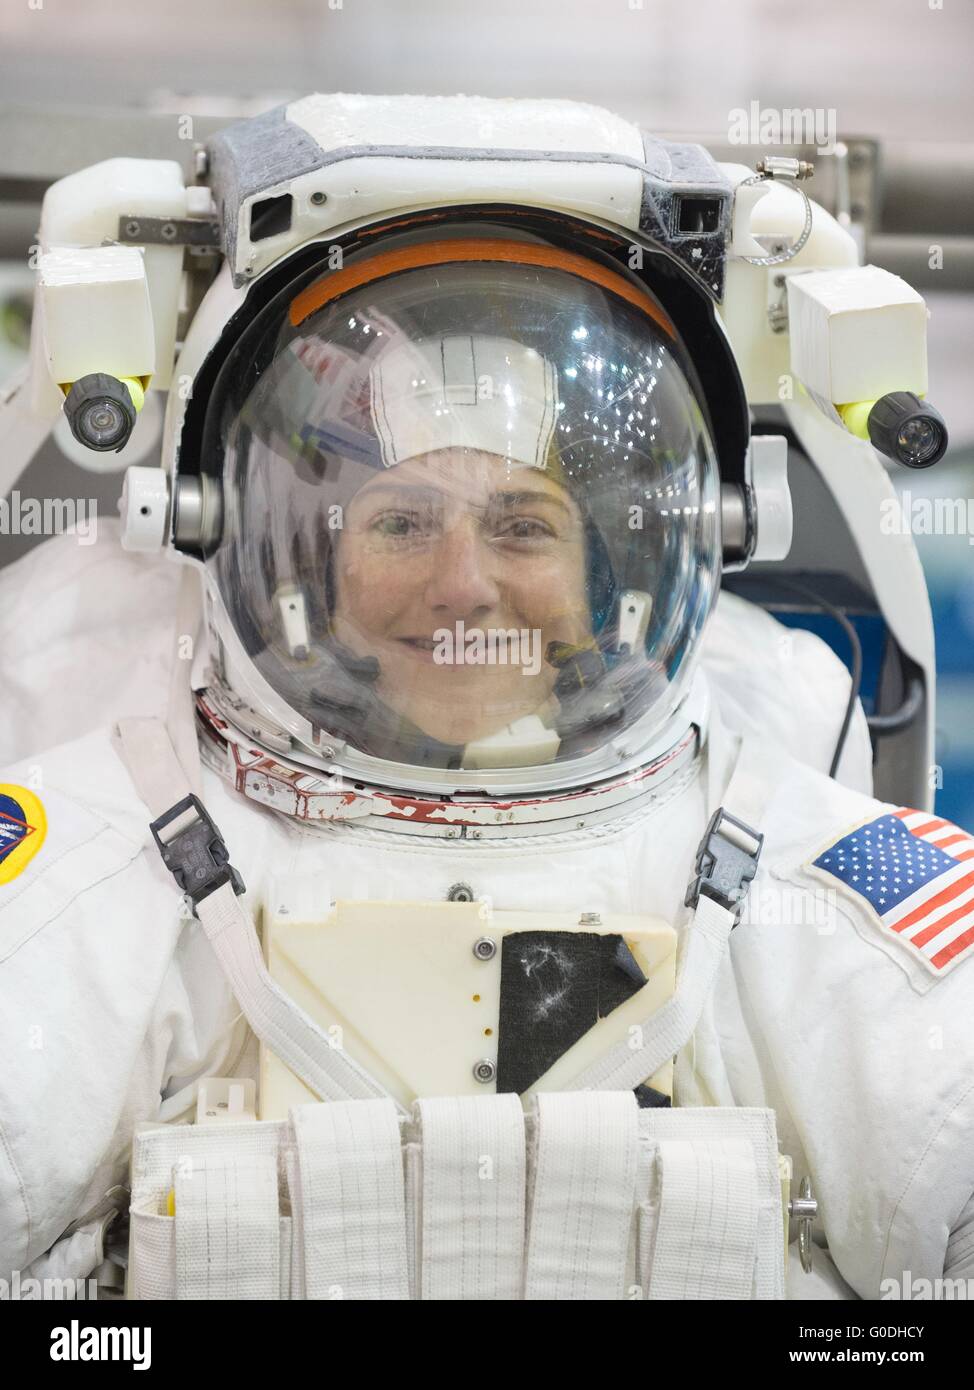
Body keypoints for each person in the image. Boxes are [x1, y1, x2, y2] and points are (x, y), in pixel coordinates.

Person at [1, 107, 972, 1302]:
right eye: (402, 523)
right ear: (294, 560)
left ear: (609, 571)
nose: (465, 583)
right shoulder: (102, 873)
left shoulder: (816, 888)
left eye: (522, 525)